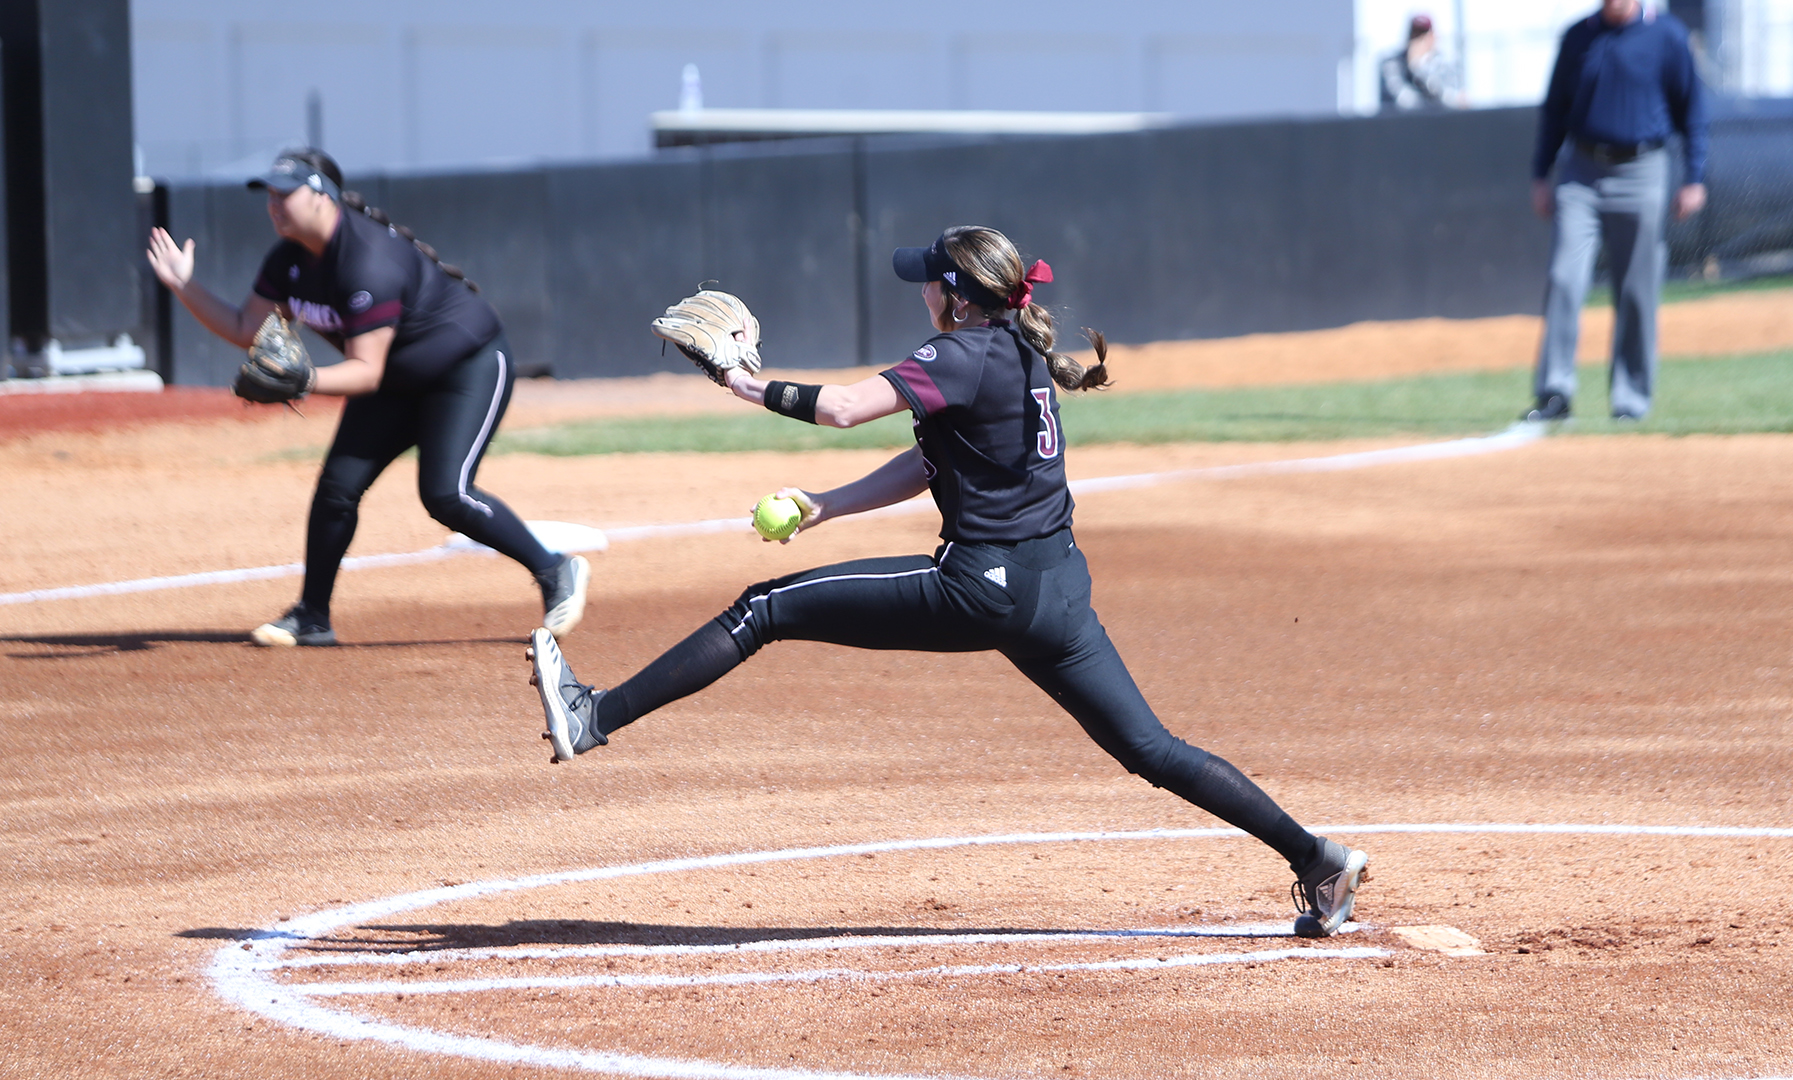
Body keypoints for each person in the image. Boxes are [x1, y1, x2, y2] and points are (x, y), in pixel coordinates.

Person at [525, 225, 1372, 939]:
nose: (920, 290)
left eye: (929, 281)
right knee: (1152, 750)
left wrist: (745, 382)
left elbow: (845, 410)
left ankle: (592, 716)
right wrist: (826, 505)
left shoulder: (961, 351)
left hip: (984, 587)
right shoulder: (1019, 350)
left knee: (765, 608)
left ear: (957, 295)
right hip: (1058, 592)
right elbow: (930, 461)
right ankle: (1317, 860)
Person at [146, 150, 589, 647]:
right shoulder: (289, 260)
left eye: (284, 193)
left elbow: (365, 370)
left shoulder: (366, 260)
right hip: (396, 381)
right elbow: (246, 327)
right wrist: (184, 286)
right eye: (268, 194)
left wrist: (303, 382)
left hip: (467, 366)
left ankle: (555, 571)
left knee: (446, 493)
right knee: (338, 487)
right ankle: (313, 616)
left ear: (321, 196)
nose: (273, 205)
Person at [1523, 0, 1708, 423]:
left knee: (1636, 289)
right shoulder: (1579, 36)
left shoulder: (1667, 36)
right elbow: (1554, 110)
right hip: (1581, 171)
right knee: (1564, 277)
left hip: (1642, 170)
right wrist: (1540, 173)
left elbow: (1693, 112)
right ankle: (1555, 393)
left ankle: (1631, 399)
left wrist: (1694, 178)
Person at [1379, 14, 1460, 113]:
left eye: (1423, 36)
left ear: (1432, 38)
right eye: (1415, 35)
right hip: (1403, 124)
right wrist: (1414, 65)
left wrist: (1421, 69)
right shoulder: (1392, 63)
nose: (1418, 42)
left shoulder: (1445, 64)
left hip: (1440, 124)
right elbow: (1401, 100)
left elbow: (1450, 100)